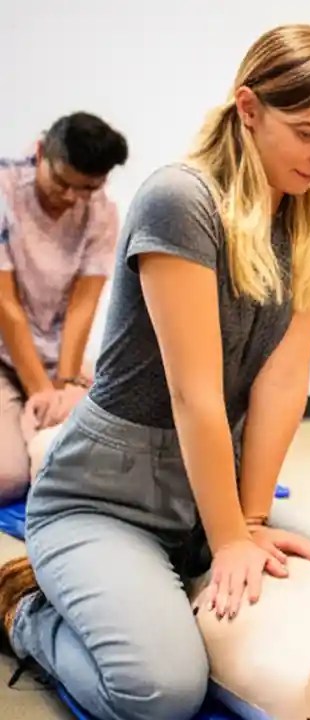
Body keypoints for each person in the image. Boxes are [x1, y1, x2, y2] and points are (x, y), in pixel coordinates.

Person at [0, 24, 310, 720]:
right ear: (249, 108)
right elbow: (193, 392)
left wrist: (250, 520)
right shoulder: (181, 199)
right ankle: (25, 607)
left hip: (208, 489)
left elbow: (282, 382)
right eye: (308, 131)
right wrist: (230, 540)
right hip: (105, 497)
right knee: (161, 694)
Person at [0, 112, 128, 502]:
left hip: (55, 356)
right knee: (8, 478)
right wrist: (41, 390)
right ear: (41, 153)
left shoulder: (102, 213)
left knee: (119, 454)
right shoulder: (4, 189)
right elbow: (6, 304)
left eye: (87, 188)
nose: (72, 198)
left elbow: (82, 305)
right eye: (61, 184)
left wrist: (63, 385)